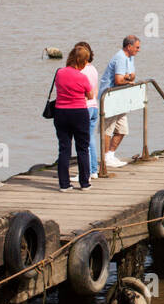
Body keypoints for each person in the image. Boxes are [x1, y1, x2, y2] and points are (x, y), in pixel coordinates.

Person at [53, 45, 94, 191]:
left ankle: (64, 184)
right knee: (82, 148)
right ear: (81, 61)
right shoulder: (82, 77)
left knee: (64, 149)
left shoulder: (59, 73)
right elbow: (91, 96)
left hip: (61, 113)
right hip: (78, 112)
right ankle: (84, 183)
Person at [99, 34, 141, 169]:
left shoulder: (130, 57)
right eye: (137, 47)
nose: (138, 50)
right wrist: (128, 78)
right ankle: (105, 158)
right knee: (108, 129)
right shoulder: (121, 58)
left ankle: (111, 154)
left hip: (120, 98)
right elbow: (118, 80)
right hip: (109, 97)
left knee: (122, 129)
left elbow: (132, 75)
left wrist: (127, 77)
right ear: (129, 47)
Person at [74, 40, 99, 179]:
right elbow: (94, 90)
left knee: (82, 142)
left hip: (85, 107)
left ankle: (85, 173)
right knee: (91, 139)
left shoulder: (81, 70)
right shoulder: (93, 69)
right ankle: (94, 170)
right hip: (94, 106)